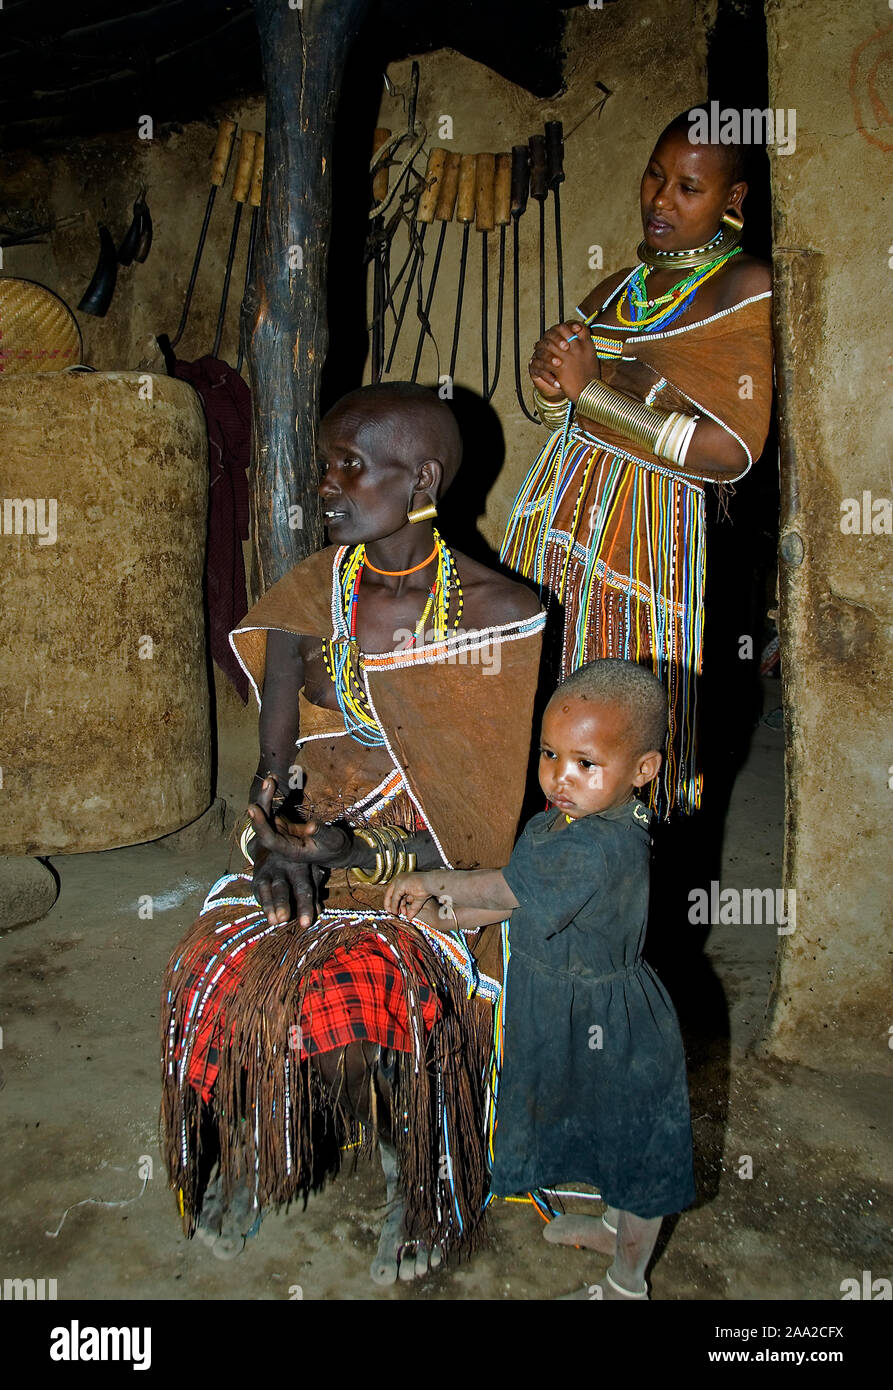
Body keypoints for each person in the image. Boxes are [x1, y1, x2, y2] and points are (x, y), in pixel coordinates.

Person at [160, 382, 545, 1281]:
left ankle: (420, 1172)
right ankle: (265, 1147)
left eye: (349, 468)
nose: (324, 487)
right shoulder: (316, 588)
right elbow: (276, 765)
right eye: (325, 464)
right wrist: (271, 840)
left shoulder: (495, 614)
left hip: (430, 859)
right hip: (318, 829)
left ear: (422, 479)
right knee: (220, 968)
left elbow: (487, 826)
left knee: (380, 988)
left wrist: (360, 859)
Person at [385, 658, 695, 1299]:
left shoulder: (600, 846)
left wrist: (433, 883)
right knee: (610, 1142)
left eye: (586, 763)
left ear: (643, 771)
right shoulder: (560, 821)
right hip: (561, 1004)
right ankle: (613, 1228)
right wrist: (452, 918)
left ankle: (626, 1283)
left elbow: (501, 885)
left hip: (612, 1025)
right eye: (550, 754)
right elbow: (516, 900)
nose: (561, 776)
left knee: (638, 1161)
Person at [501, 108, 774, 818]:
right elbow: (564, 418)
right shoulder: (614, 291)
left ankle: (626, 866)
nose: (660, 198)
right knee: (550, 692)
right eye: (656, 175)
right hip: (557, 521)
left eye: (688, 187)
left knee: (623, 713)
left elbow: (732, 452)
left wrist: (591, 390)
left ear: (731, 202)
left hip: (646, 542)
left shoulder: (742, 287)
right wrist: (555, 392)